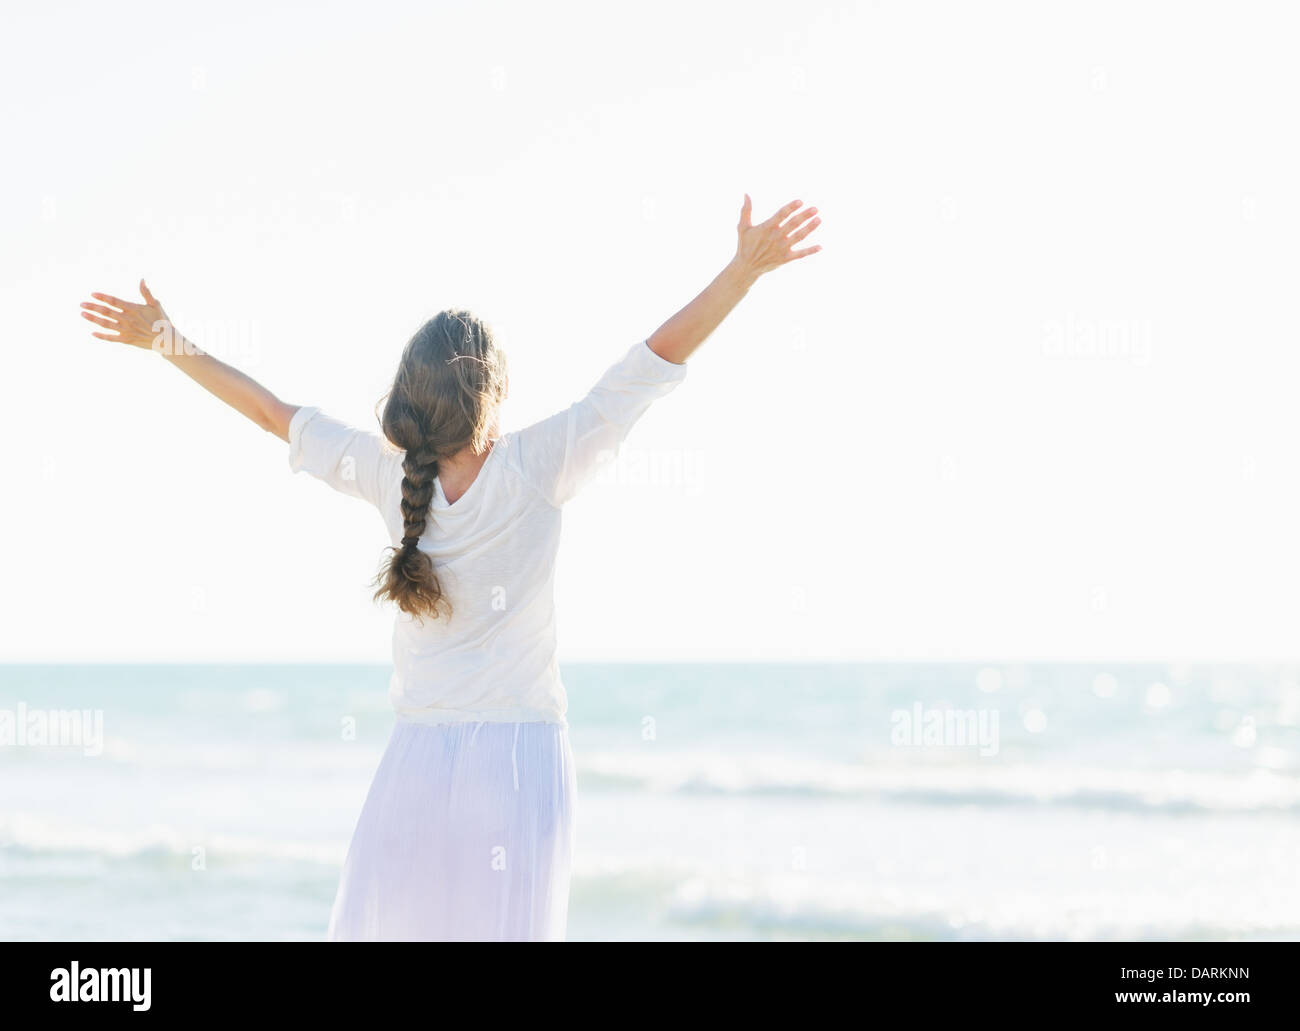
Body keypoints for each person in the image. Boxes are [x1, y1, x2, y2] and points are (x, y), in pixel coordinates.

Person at [79, 194, 822, 941]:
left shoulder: (383, 469)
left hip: (415, 762)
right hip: (519, 761)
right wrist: (742, 272)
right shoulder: (540, 462)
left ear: (410, 393)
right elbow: (652, 362)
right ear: (492, 396)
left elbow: (274, 413)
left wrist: (168, 342)